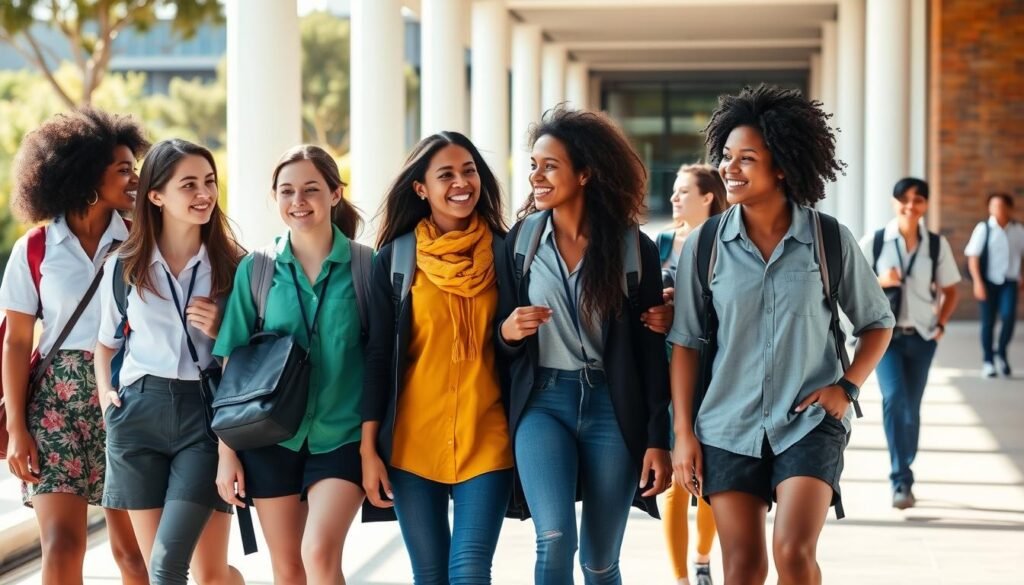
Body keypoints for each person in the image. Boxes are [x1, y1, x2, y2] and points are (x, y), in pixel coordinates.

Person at [669, 85, 894, 585]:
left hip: (808, 422)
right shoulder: (706, 245)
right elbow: (684, 342)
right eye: (727, 156)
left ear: (783, 167)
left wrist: (847, 387)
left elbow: (878, 323)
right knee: (744, 568)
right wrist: (683, 434)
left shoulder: (828, 239)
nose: (731, 168)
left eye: (747, 158)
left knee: (793, 553)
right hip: (726, 425)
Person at [498, 106, 673, 585]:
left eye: (549, 165)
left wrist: (659, 439)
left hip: (611, 408)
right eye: (533, 164)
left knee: (599, 561)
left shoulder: (634, 249)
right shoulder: (520, 243)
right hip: (543, 403)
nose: (536, 175)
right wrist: (507, 333)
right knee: (554, 537)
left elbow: (649, 353)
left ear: (585, 173)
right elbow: (498, 335)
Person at [0, 107, 149, 585]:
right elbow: (17, 341)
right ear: (86, 174)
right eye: (123, 169)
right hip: (53, 409)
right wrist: (18, 427)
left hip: (122, 402)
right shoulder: (36, 249)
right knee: (63, 547)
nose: (134, 179)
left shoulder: (139, 242)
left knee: (133, 553)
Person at [361, 131, 513, 584]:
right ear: (421, 188)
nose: (461, 182)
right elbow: (377, 358)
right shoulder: (395, 260)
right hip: (412, 442)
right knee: (429, 576)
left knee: (468, 572)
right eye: (445, 174)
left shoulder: (507, 254)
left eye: (469, 171)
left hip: (488, 436)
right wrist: (369, 449)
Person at [214, 145, 367, 584]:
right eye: (287, 191)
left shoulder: (365, 266)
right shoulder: (257, 269)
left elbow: (380, 361)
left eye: (311, 189)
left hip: (342, 436)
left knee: (319, 554)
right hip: (269, 439)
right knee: (288, 570)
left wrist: (376, 444)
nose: (298, 201)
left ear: (335, 194)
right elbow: (232, 363)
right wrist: (228, 455)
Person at [94, 139, 244, 585]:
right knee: (172, 567)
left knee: (176, 567)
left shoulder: (232, 265)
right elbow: (106, 344)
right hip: (137, 415)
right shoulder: (123, 266)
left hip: (204, 416)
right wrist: (106, 397)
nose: (204, 194)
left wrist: (223, 330)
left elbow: (252, 356)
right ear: (156, 195)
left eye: (210, 182)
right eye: (189, 184)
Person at [860, 178, 961, 510]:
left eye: (918, 199)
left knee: (911, 408)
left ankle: (905, 461)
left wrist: (941, 324)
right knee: (895, 400)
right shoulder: (874, 242)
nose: (910, 205)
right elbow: (852, 288)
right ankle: (900, 479)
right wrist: (881, 280)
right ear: (893, 202)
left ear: (926, 205)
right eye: (904, 199)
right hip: (883, 338)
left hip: (921, 337)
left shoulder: (935, 245)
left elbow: (950, 290)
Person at [656, 163, 727, 585]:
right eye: (674, 192)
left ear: (708, 197)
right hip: (668, 372)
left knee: (713, 479)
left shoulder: (728, 244)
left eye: (684, 191)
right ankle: (681, 578)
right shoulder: (661, 244)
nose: (674, 199)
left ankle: (702, 556)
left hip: (719, 373)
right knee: (674, 484)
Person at [965, 192, 1024, 378]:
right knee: (988, 322)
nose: (997, 209)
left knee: (1008, 318)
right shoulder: (984, 229)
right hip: (987, 282)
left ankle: (1001, 352)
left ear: (1009, 208)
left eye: (1001, 206)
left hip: (1009, 282)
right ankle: (988, 361)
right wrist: (978, 283)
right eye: (993, 206)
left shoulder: (1018, 230)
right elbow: (973, 258)